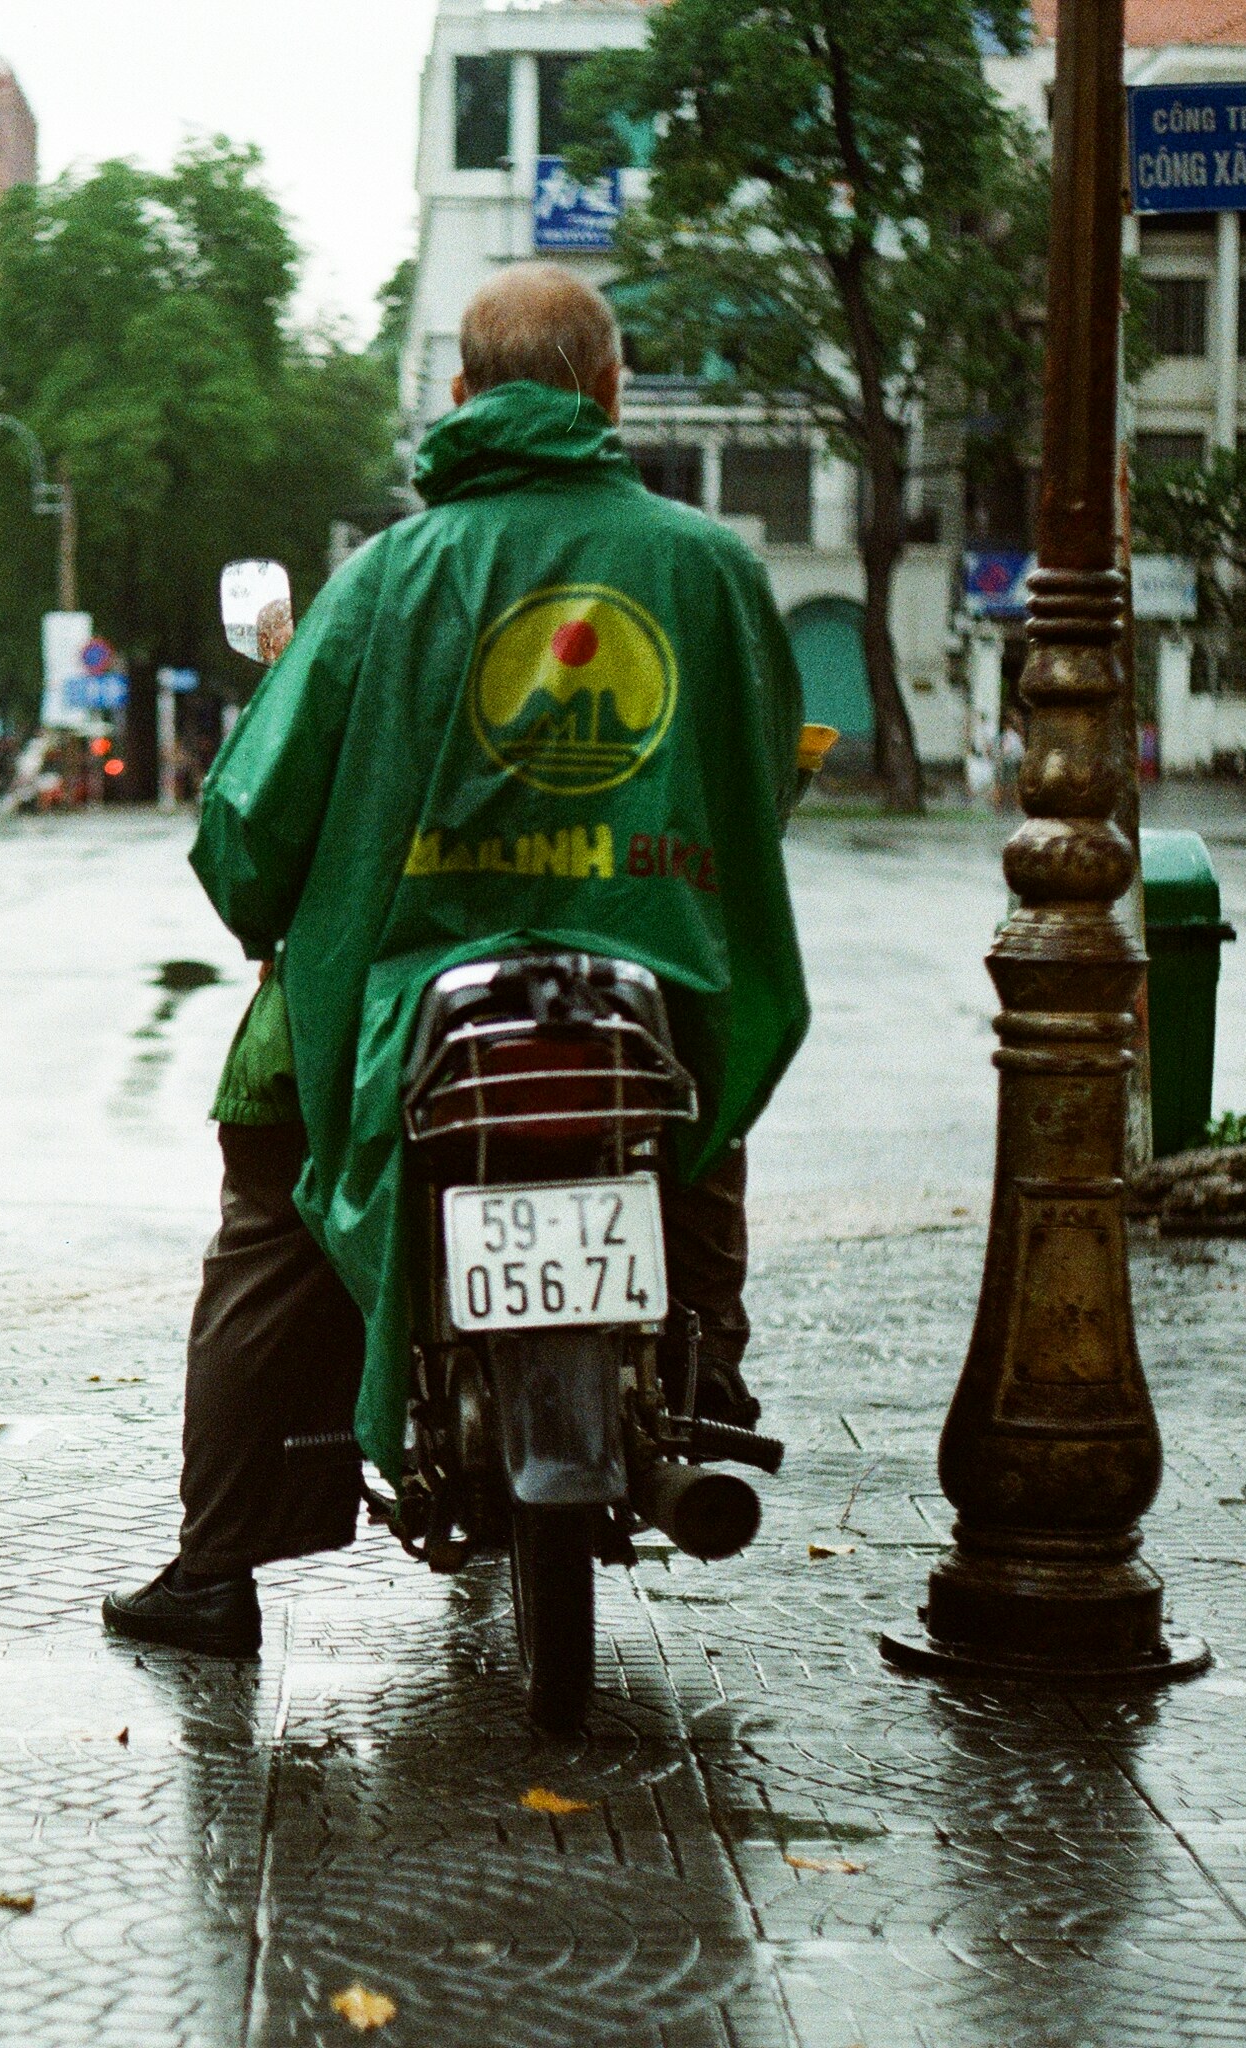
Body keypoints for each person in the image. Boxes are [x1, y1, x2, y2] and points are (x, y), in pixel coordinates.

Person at [102, 264, 810, 1657]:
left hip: (393, 1012)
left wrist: (282, 913)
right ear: (610, 394)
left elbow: (250, 822)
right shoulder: (712, 570)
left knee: (270, 1204)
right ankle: (705, 1377)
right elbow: (760, 777)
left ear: (461, 398)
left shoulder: (384, 581)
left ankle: (213, 1574)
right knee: (696, 1125)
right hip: (648, 995)